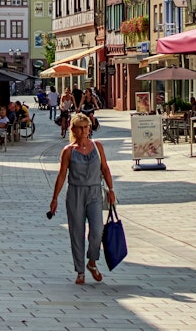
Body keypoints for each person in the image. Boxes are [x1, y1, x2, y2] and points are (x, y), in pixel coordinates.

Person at [48, 112, 117, 285]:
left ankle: (92, 262)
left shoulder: (97, 146)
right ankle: (80, 271)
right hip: (75, 193)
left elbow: (105, 168)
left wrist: (111, 189)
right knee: (76, 232)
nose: (85, 131)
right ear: (73, 130)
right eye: (81, 128)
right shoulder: (68, 151)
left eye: (87, 127)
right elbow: (62, 175)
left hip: (94, 192)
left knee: (97, 230)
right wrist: (55, 198)